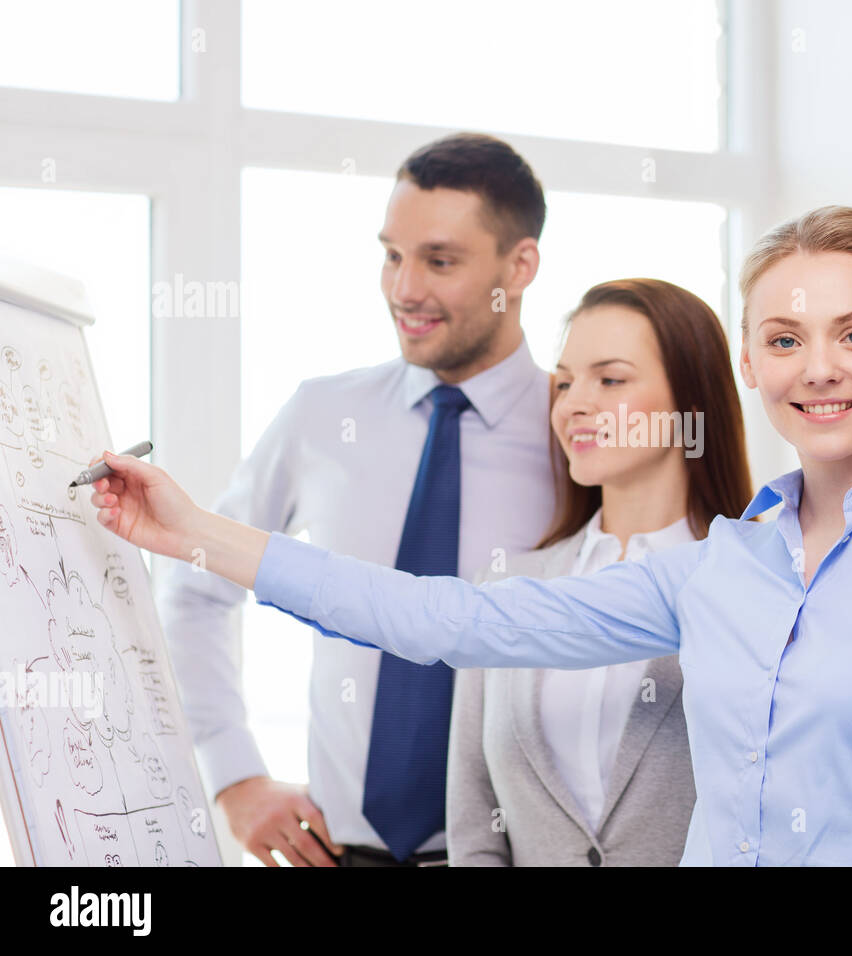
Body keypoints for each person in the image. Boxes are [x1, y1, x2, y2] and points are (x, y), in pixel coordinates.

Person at [90, 205, 852, 866]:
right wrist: (197, 534)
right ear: (748, 360)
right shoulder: (719, 569)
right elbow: (443, 620)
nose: (819, 369)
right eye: (785, 340)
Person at [157, 132, 558, 866]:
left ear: (519, 265)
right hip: (336, 852)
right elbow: (194, 583)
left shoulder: (577, 433)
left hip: (518, 852)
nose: (404, 289)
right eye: (392, 255)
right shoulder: (321, 415)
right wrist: (236, 775)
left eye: (439, 261)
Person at [448, 278, 752, 866]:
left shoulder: (756, 584)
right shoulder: (506, 589)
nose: (573, 404)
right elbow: (473, 825)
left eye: (610, 380)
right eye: (564, 383)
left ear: (691, 401)